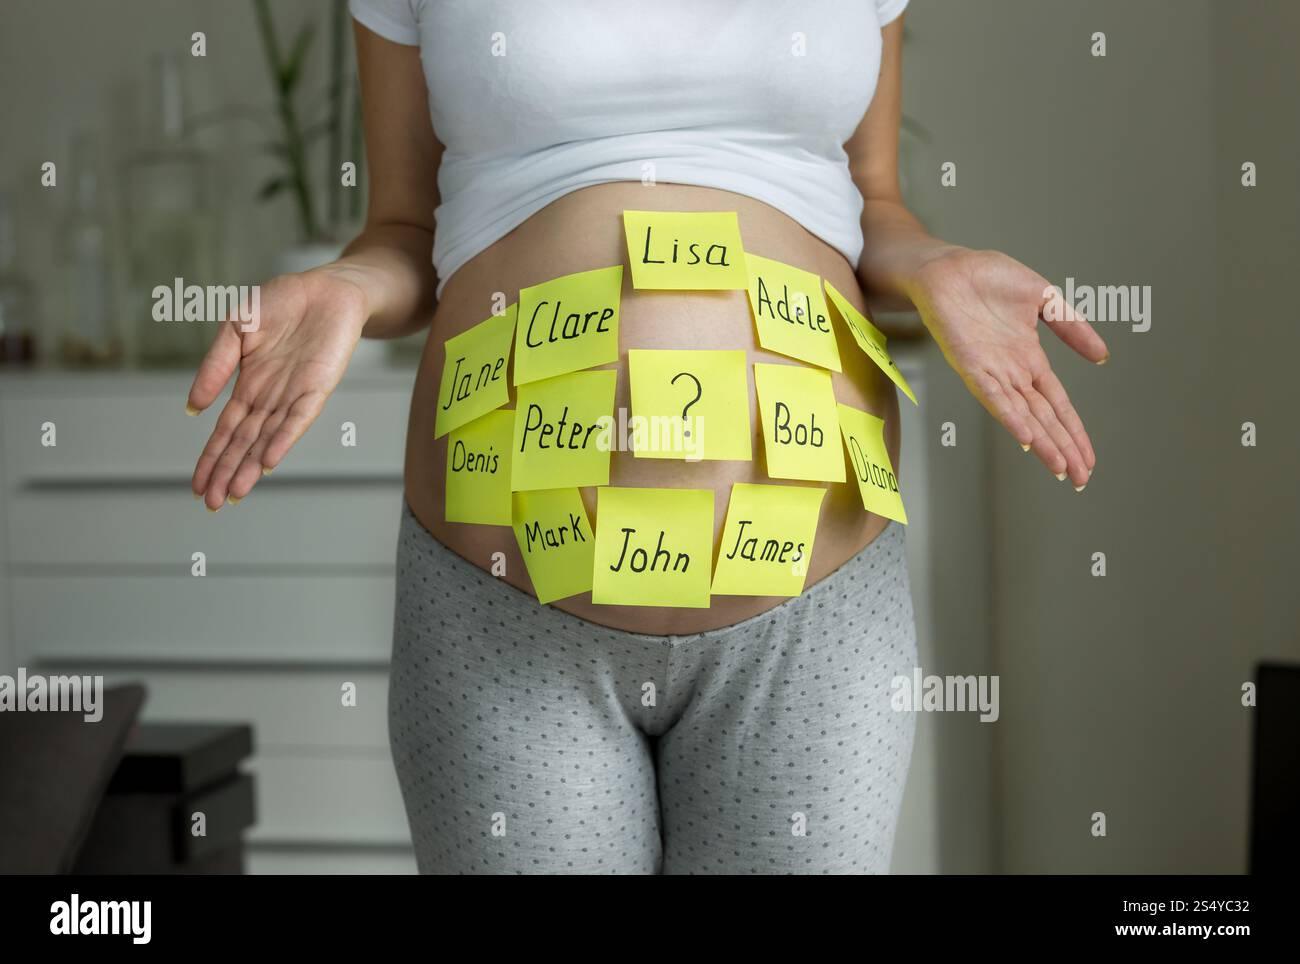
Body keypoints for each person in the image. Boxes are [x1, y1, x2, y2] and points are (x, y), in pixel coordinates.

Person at [186, 0, 1107, 874]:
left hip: (816, 602)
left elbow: (874, 207)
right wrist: (349, 282)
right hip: (502, 610)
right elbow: (401, 231)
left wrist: (937, 263)